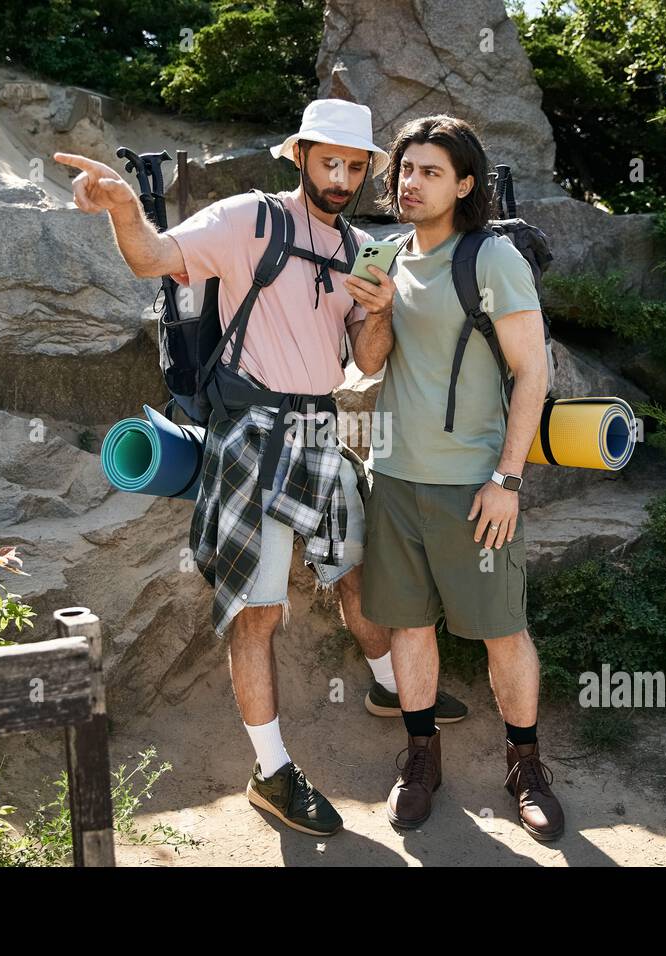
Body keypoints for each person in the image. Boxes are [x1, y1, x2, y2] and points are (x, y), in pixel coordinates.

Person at [53, 99, 466, 838]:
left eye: (354, 165)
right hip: (248, 432)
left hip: (320, 427)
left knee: (360, 575)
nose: (339, 178)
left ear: (367, 169)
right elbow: (153, 257)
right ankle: (272, 772)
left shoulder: (359, 250)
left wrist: (375, 312)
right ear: (300, 155)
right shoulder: (247, 218)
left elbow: (365, 363)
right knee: (258, 612)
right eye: (327, 162)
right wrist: (120, 207)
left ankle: (385, 690)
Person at [353, 115, 566, 842]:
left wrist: (507, 478)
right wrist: (375, 311)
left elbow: (532, 371)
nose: (411, 182)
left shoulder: (493, 258)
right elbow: (370, 360)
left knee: (503, 630)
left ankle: (526, 766)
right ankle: (420, 759)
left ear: (465, 184)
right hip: (394, 479)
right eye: (406, 169)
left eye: (431, 171)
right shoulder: (382, 254)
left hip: (475, 487)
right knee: (408, 625)